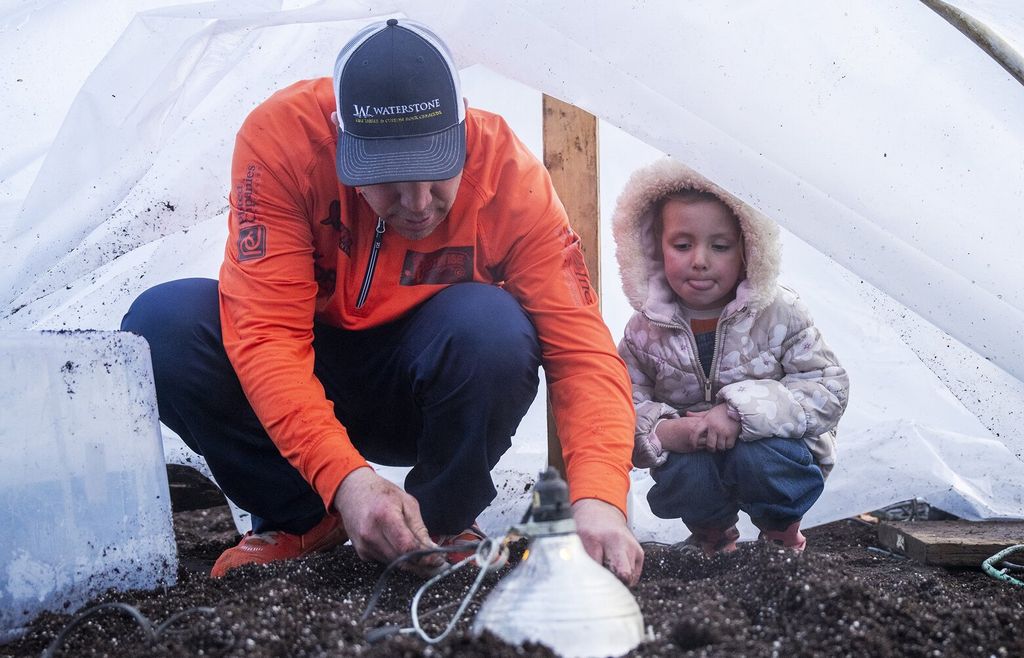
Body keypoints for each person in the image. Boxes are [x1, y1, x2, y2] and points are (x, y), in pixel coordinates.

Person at [121, 18, 643, 584]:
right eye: (388, 176)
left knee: (494, 328)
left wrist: (600, 502)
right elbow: (267, 336)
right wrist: (345, 481)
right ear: (342, 141)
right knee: (162, 327)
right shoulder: (284, 141)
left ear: (463, 128)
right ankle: (302, 516)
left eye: (437, 170)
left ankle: (439, 522)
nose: (417, 203)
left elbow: (581, 352)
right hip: (303, 375)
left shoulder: (509, 177)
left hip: (418, 387)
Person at [611, 159, 849, 554]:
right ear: (654, 248)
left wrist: (739, 413)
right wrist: (667, 431)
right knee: (684, 468)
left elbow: (828, 388)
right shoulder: (644, 331)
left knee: (759, 457)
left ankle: (781, 533)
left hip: (770, 448)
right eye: (682, 245)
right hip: (695, 451)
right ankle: (712, 535)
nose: (700, 260)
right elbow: (621, 405)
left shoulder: (779, 313)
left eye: (719, 246)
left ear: (747, 249)